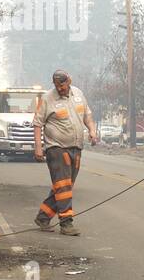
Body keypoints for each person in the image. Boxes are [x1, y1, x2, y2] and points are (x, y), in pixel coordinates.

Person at [33, 69, 97, 236]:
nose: (59, 88)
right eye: (56, 85)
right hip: (56, 147)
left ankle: (43, 217)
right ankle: (66, 223)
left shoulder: (78, 94)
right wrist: (38, 147)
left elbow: (87, 116)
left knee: (66, 186)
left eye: (62, 85)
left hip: (76, 147)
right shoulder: (47, 98)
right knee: (63, 186)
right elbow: (37, 123)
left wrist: (92, 131)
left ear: (69, 81)